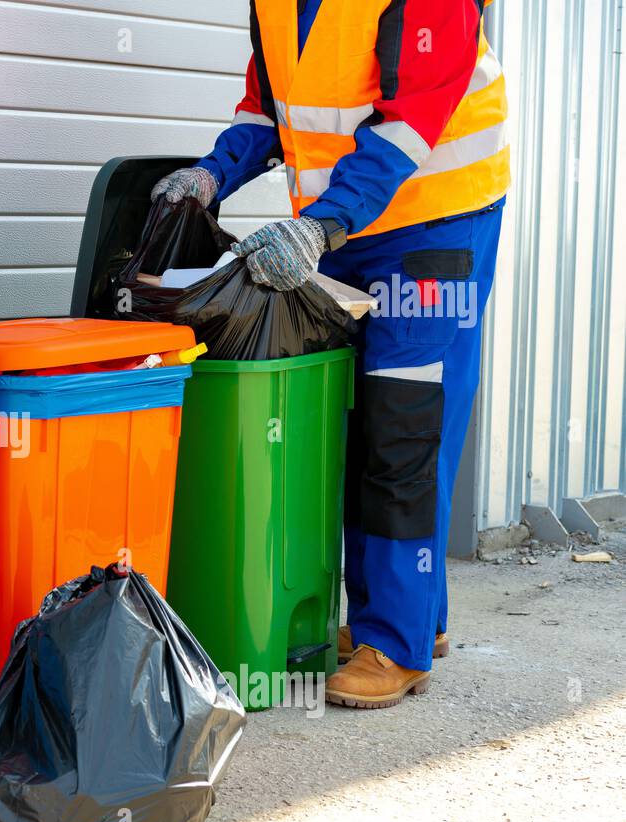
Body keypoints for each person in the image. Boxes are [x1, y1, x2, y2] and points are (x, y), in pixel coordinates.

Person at [153, 0, 509, 708]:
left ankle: (397, 645)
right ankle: (413, 618)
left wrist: (321, 223)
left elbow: (411, 124)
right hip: (350, 225)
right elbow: (271, 112)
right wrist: (213, 174)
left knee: (407, 420)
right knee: (360, 417)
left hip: (434, 217)